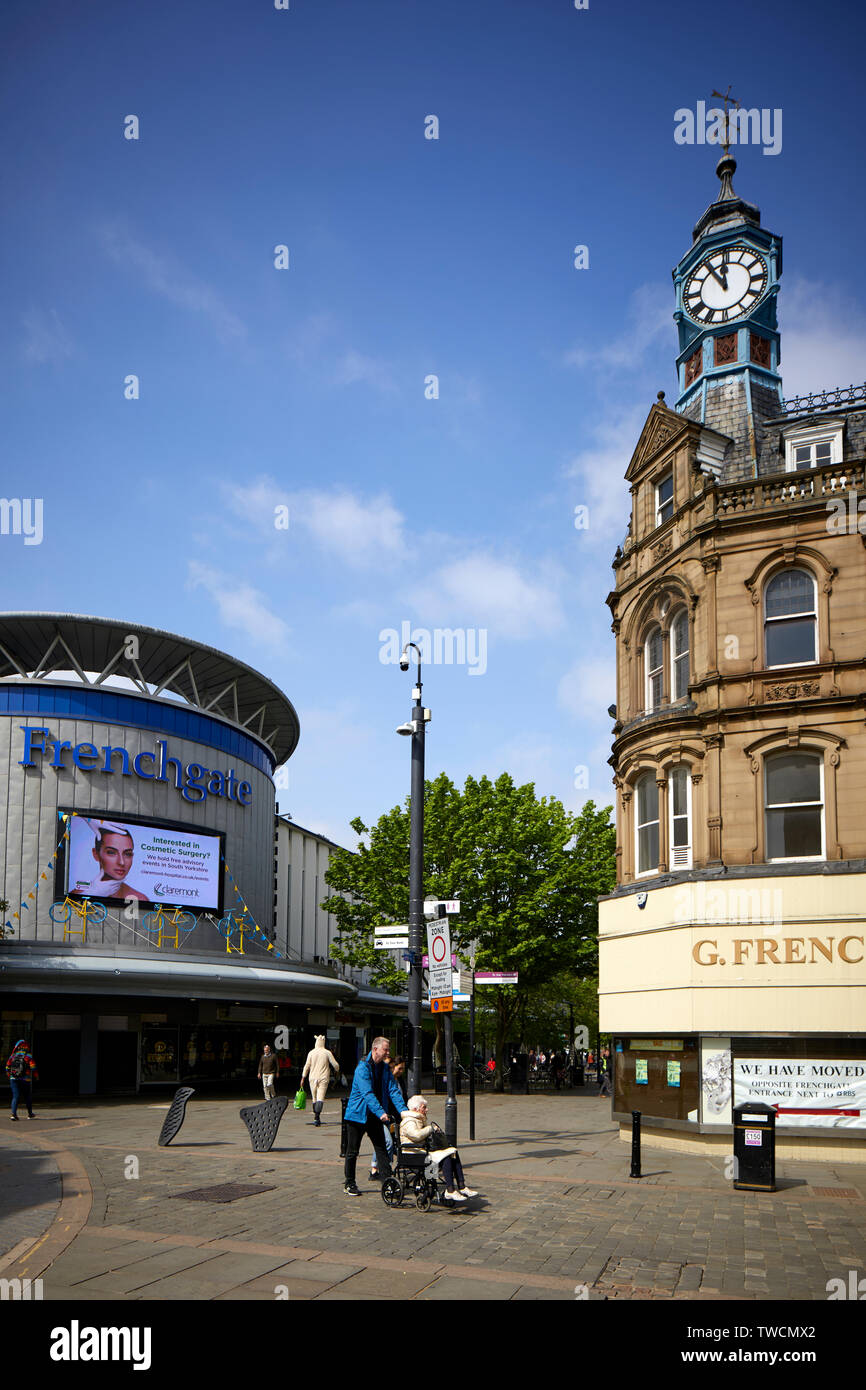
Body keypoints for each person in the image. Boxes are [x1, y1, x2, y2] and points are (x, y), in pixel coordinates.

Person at [342, 1037, 409, 1196]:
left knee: (382, 1149)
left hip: (374, 1116)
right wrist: (382, 1113)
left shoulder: (385, 1068)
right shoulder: (362, 1068)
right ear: (375, 1049)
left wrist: (404, 1112)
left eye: (388, 1050)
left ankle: (388, 1183)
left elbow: (393, 1090)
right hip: (357, 1115)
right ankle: (349, 1183)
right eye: (385, 1050)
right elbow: (367, 1094)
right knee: (352, 1151)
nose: (388, 1053)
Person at [400, 1096, 478, 1202]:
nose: (426, 1109)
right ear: (415, 1109)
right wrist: (430, 1129)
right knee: (446, 1157)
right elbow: (416, 1136)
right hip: (413, 1153)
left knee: (452, 1152)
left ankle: (461, 1186)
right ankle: (450, 1190)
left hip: (421, 1151)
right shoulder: (409, 1121)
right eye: (424, 1107)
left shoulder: (418, 1119)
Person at [80, 820, 147, 901]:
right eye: (111, 852)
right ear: (96, 854)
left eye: (127, 854)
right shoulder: (79, 893)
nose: (121, 862)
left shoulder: (140, 899)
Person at [370, 1055, 407, 1180]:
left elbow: (400, 1097)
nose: (400, 1071)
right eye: (399, 1068)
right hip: (383, 1116)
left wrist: (405, 1112)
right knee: (386, 1142)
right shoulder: (383, 1080)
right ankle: (378, 1169)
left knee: (387, 1142)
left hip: (393, 1116)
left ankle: (382, 1168)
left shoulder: (398, 1080)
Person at [301, 1034, 339, 1126]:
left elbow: (307, 1066)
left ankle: (315, 1116)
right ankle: (317, 1117)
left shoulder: (311, 1053)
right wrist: (337, 1070)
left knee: (314, 1098)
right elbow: (336, 1065)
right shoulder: (327, 1052)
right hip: (323, 1078)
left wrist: (303, 1077)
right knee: (320, 1098)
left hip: (312, 1078)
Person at [6, 1039, 38, 1120]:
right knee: (27, 1096)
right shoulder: (28, 1056)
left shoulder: (12, 1056)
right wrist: (36, 1076)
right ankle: (30, 1114)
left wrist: (10, 1076)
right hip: (25, 1079)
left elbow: (7, 1067)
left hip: (13, 1079)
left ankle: (13, 1114)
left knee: (15, 1096)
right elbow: (33, 1067)